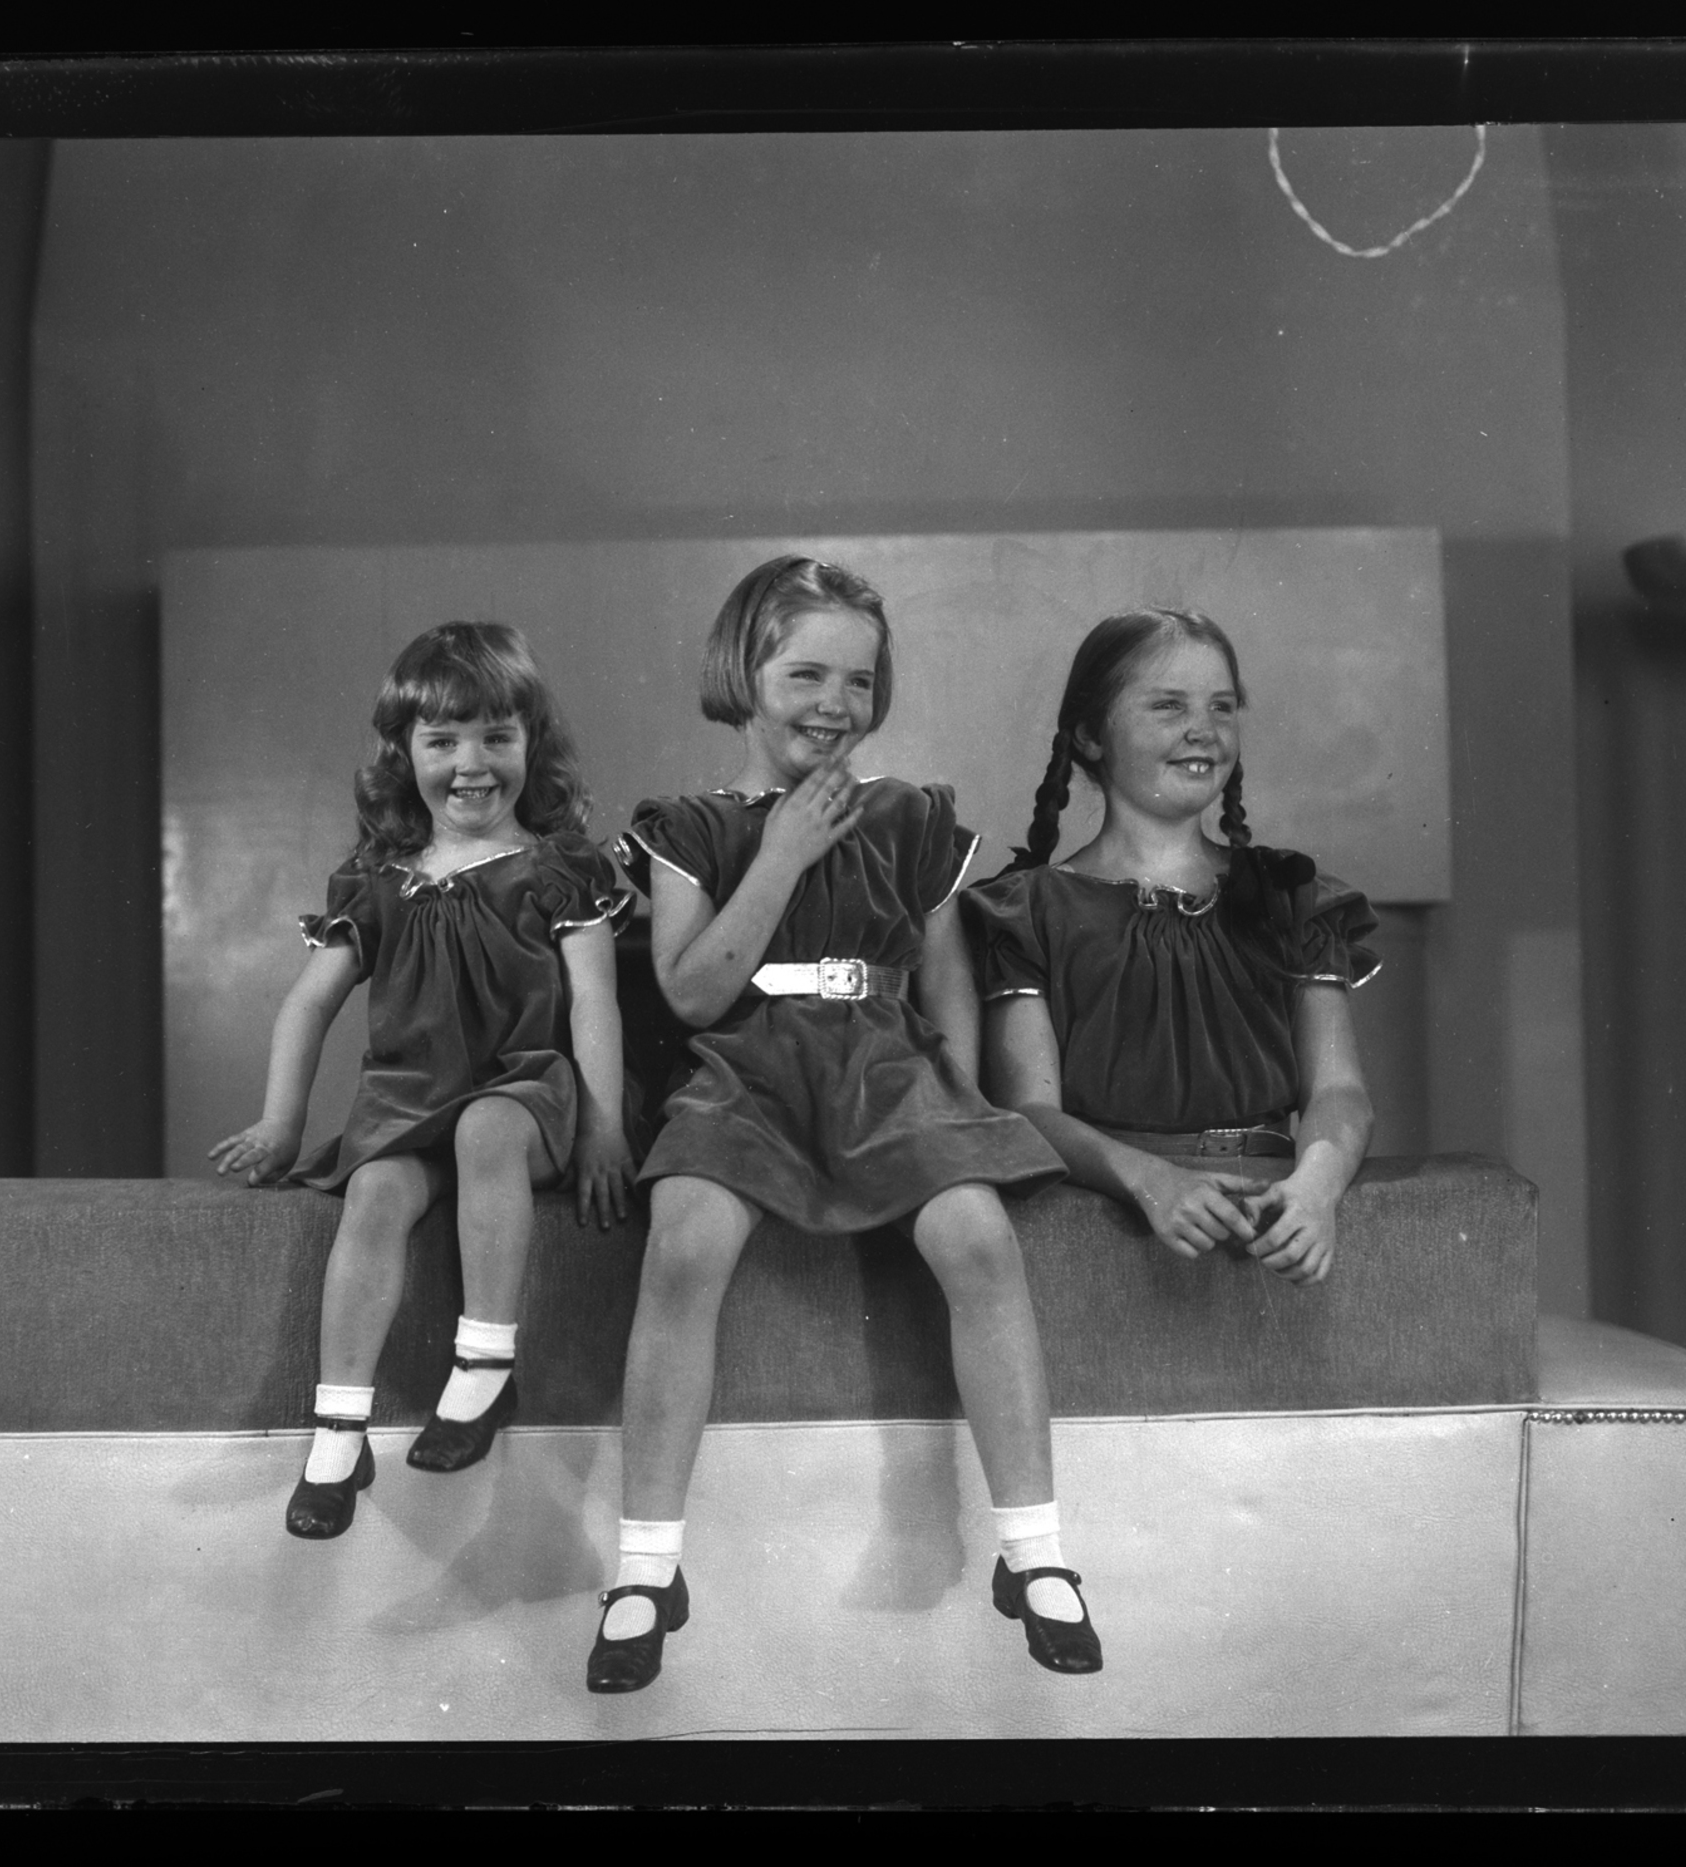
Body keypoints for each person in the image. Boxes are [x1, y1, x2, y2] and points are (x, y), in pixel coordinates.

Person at [588, 555, 1095, 1695]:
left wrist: (957, 1100)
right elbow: (693, 992)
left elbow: (947, 981)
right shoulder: (691, 826)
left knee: (976, 1235)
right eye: (806, 675)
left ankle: (1036, 1549)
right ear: (744, 674)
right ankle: (645, 1566)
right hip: (748, 1065)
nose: (835, 703)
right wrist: (780, 854)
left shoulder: (911, 817)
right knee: (686, 1238)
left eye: (858, 681)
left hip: (884, 1063)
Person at [210, 621, 634, 1540]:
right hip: (409, 1103)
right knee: (374, 1192)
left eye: (496, 736)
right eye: (443, 741)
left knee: (485, 1129)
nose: (471, 764)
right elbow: (308, 1003)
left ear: (532, 742)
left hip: (525, 1093)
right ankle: (339, 1431)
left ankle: (484, 1367)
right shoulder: (378, 881)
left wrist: (605, 1125)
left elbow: (596, 1003)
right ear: (404, 754)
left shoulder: (560, 869)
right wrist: (282, 1121)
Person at [963, 608, 1377, 1282]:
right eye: (1168, 705)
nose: (1203, 730)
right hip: (1106, 1227)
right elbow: (1029, 1110)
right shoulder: (1028, 910)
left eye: (1222, 707)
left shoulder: (1292, 896)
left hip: (1271, 1219)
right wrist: (1151, 1180)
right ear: (1089, 735)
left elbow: (1340, 1089)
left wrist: (1316, 1189)